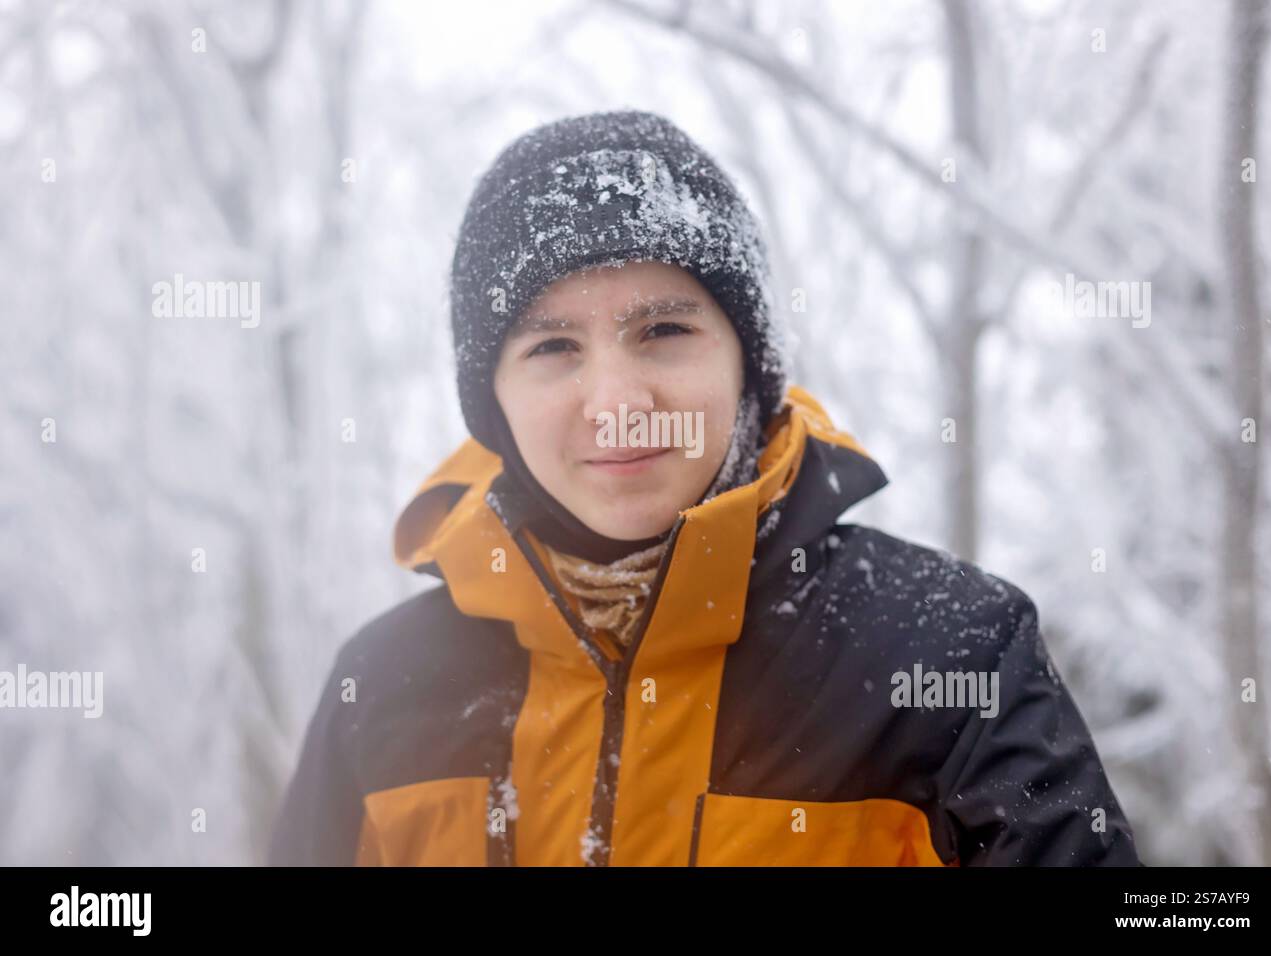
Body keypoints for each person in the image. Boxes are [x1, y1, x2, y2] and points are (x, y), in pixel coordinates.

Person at [268, 109, 1141, 867]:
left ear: (747, 366)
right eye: (552, 348)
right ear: (490, 401)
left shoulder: (952, 658)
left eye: (664, 330)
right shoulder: (380, 689)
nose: (617, 403)